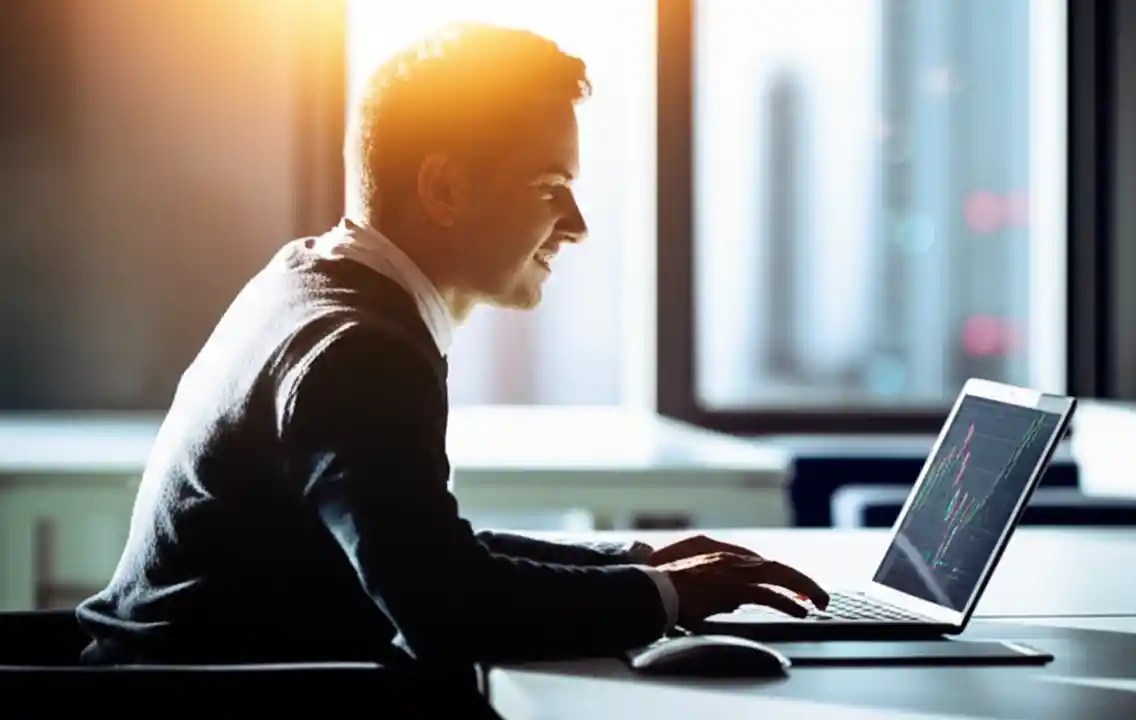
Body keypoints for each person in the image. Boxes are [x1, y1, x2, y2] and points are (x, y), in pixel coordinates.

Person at [75, 22, 828, 669]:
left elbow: (423, 550)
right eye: (548, 187)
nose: (576, 224)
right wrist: (665, 597)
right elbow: (444, 608)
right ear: (442, 189)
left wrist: (633, 567)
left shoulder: (310, 281)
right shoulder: (360, 351)